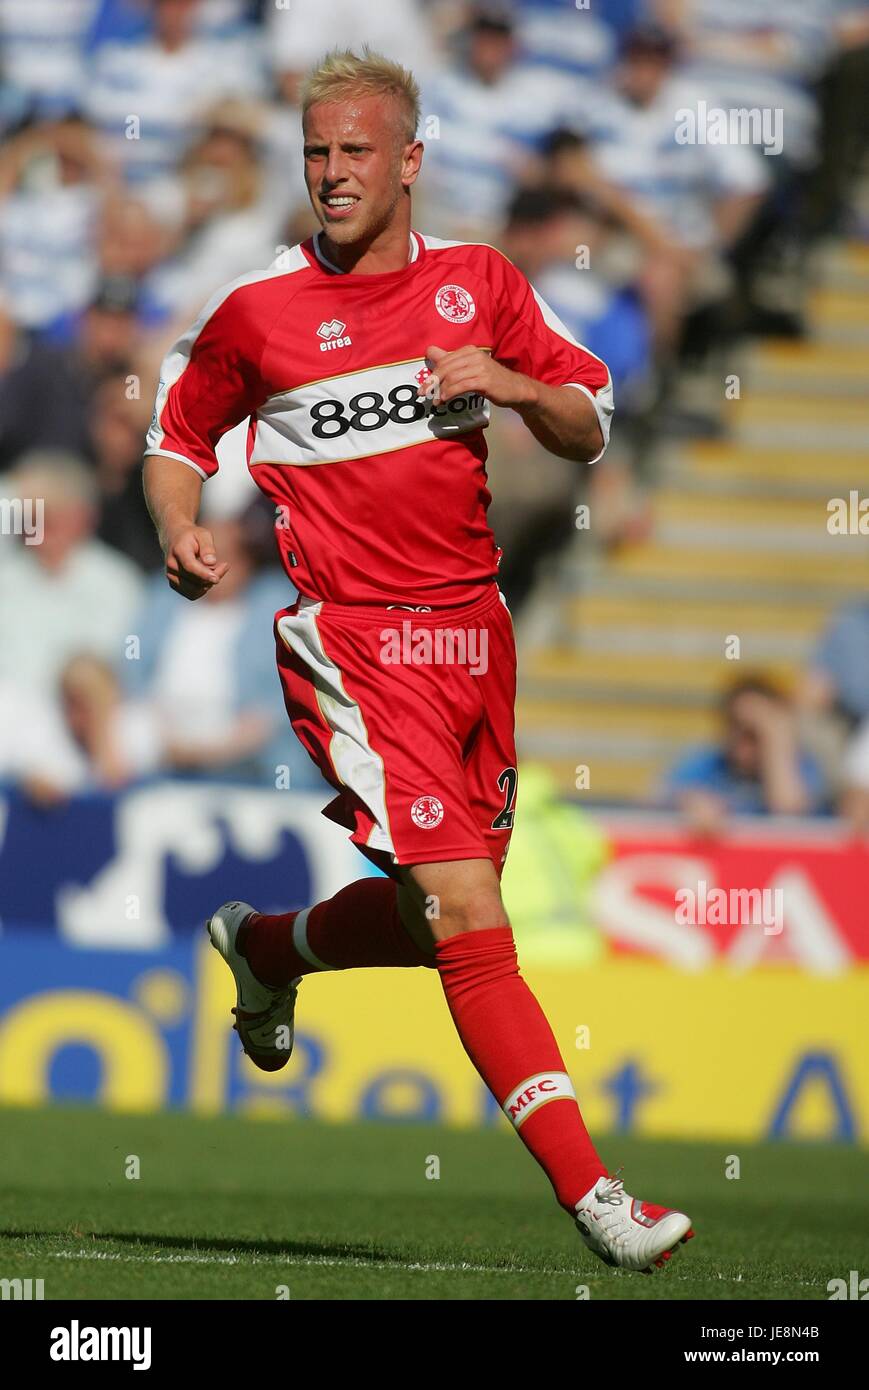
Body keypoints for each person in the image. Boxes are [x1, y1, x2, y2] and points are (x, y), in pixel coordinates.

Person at [143, 48, 692, 1274]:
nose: (332, 173)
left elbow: (588, 420)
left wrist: (504, 378)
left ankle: (267, 947)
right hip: (351, 641)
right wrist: (176, 519)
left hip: (472, 637)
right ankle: (597, 1195)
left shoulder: (480, 284)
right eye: (316, 151)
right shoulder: (257, 312)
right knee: (464, 904)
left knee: (429, 911)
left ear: (410, 161)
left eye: (355, 152)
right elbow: (174, 433)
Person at [663, 674, 827, 833]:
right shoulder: (709, 763)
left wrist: (776, 742)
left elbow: (790, 812)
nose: (742, 740)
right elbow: (662, 796)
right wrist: (690, 801)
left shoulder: (802, 767)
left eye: (753, 733)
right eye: (735, 725)